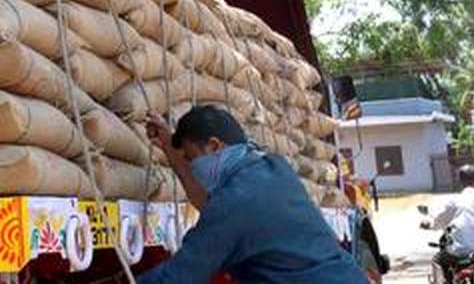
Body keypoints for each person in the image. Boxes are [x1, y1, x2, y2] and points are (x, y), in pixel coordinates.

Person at [139, 105, 368, 284]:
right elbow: (211, 206)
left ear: (215, 146)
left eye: (192, 158)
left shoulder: (234, 203)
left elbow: (180, 276)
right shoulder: (274, 168)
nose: (193, 166)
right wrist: (169, 147)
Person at [419, 164, 474, 251]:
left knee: (442, 257)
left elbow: (440, 220)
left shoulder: (455, 201)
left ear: (460, 181)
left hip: (463, 251)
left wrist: (431, 225)